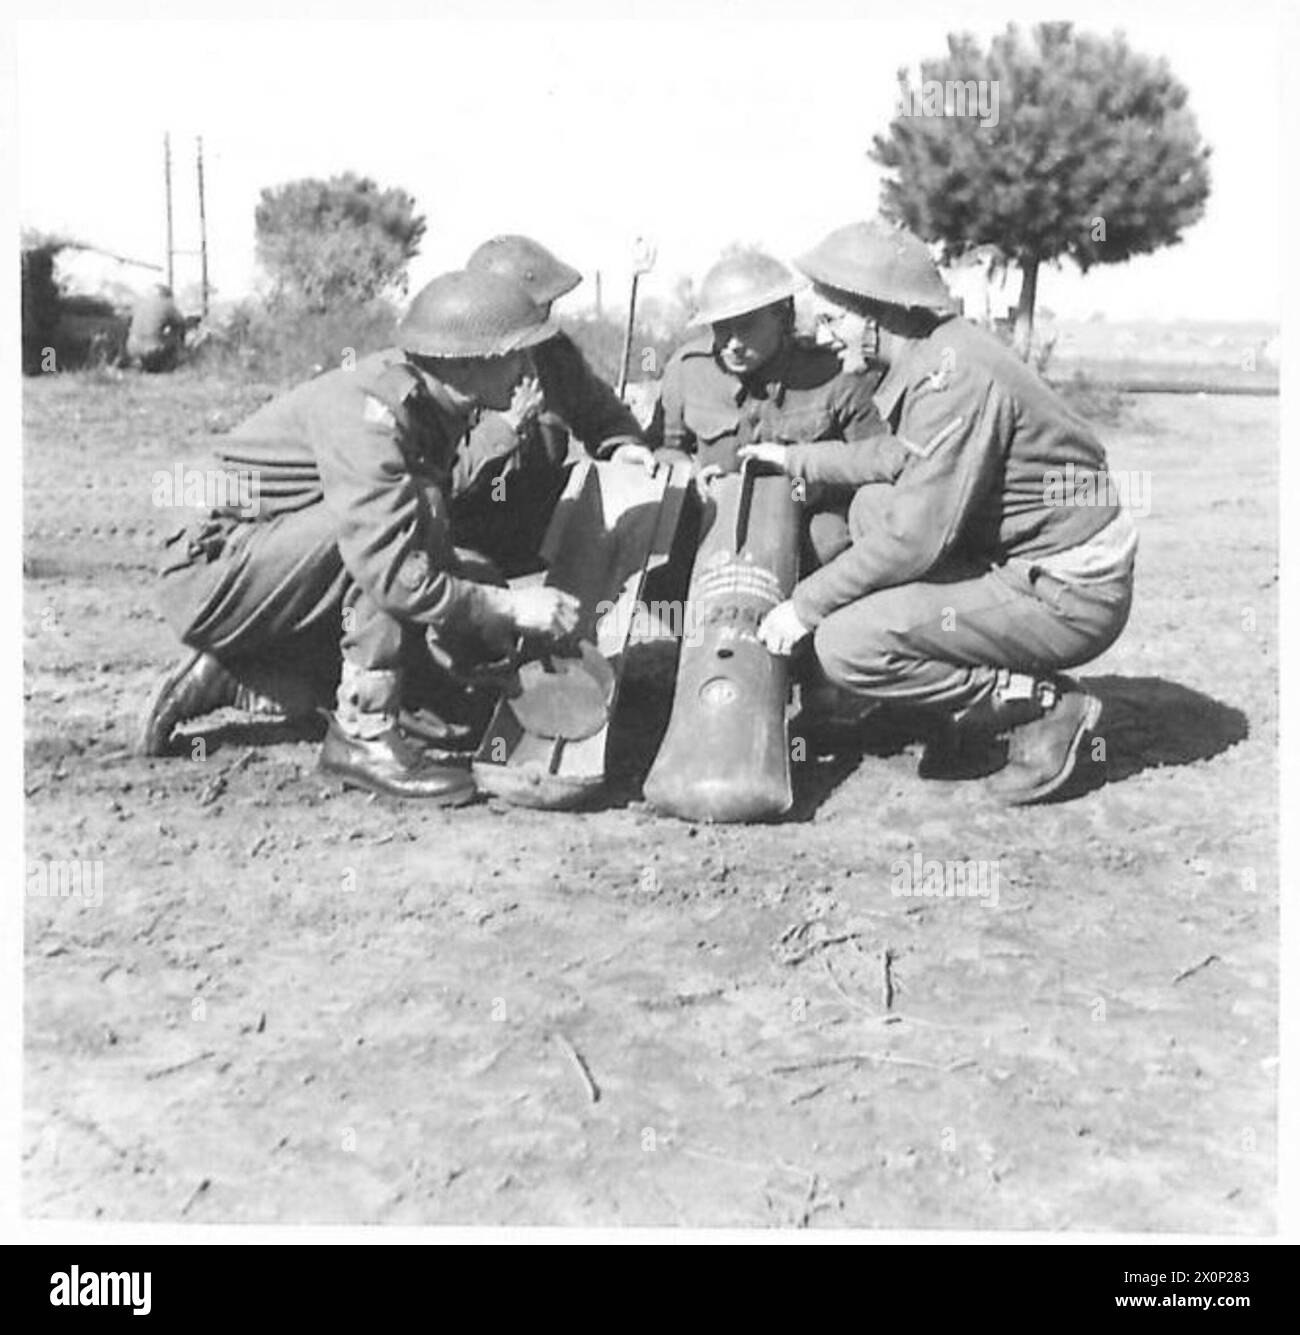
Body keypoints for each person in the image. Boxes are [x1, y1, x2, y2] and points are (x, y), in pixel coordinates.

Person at [135, 270, 581, 801]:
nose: (530, 370)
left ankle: (249, 675)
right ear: (467, 362)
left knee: (451, 713)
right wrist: (508, 606)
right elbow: (393, 572)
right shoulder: (371, 412)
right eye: (517, 355)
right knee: (406, 534)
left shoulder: (435, 401)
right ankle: (363, 736)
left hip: (278, 556)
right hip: (212, 570)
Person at [753, 220, 1137, 804]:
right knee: (869, 510)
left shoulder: (953, 378)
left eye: (833, 319)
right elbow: (896, 458)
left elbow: (915, 542)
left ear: (878, 312)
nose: (823, 335)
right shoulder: (939, 351)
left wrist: (801, 609)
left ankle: (1046, 708)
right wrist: (794, 457)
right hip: (1029, 556)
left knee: (845, 644)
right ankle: (915, 694)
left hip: (1068, 592)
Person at [636, 249, 905, 562]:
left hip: (805, 517)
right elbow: (664, 449)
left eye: (746, 325)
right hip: (712, 514)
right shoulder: (688, 369)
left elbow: (877, 466)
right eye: (722, 328)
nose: (733, 343)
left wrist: (808, 488)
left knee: (828, 540)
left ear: (782, 315)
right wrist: (689, 478)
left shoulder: (833, 374)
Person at [457, 234, 647, 573]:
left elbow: (601, 414)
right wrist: (505, 426)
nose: (545, 316)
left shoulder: (551, 355)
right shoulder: (448, 364)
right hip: (463, 540)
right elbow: (435, 480)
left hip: (539, 531)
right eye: (535, 309)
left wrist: (621, 448)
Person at [126, 283, 186, 372]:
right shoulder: (167, 304)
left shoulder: (140, 304)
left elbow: (129, 323)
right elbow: (181, 323)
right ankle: (173, 362)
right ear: (168, 296)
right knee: (177, 331)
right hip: (153, 350)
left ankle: (141, 362)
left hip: (132, 348)